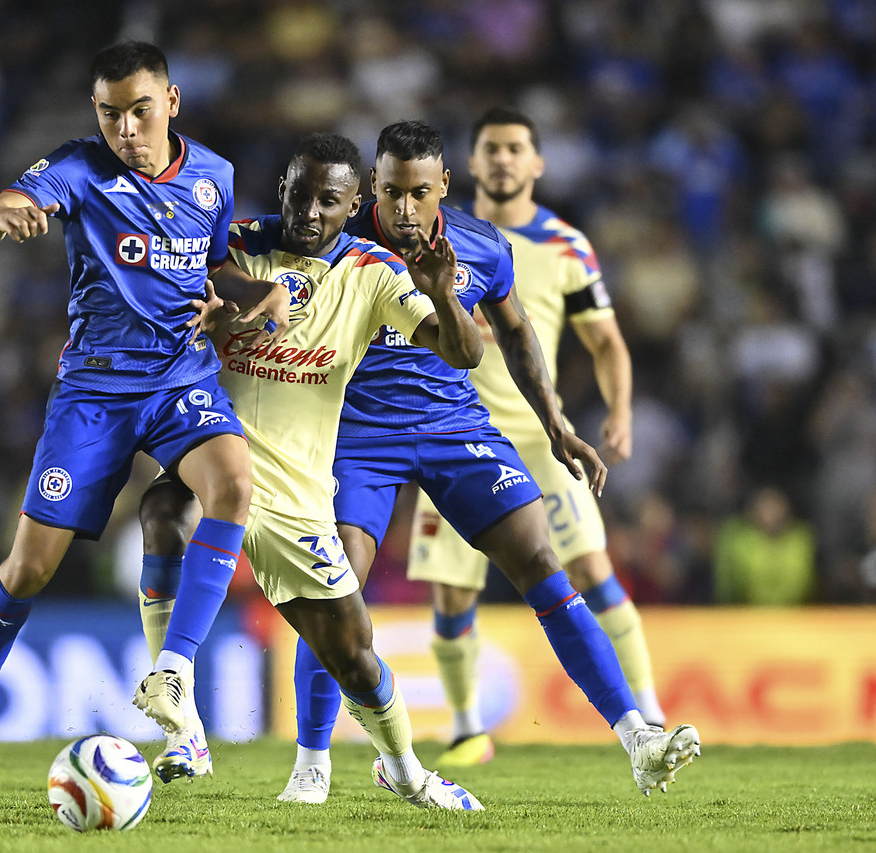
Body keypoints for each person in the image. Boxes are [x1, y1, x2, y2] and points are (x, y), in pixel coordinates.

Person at [140, 120, 699, 805]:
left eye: (419, 194)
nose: (404, 209)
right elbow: (222, 260)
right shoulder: (335, 229)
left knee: (541, 563)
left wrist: (555, 424)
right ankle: (312, 763)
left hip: (452, 423)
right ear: (370, 187)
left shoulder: (480, 246)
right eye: (393, 192)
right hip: (355, 435)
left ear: (443, 188)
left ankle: (637, 736)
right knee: (335, 591)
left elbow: (512, 335)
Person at [0, 41, 289, 788]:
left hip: (179, 378)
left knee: (232, 486)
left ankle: (173, 670)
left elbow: (213, 258)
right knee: (30, 566)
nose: (124, 127)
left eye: (139, 110)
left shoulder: (213, 175)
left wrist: (244, 297)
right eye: (109, 113)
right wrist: (7, 218)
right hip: (94, 392)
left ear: (172, 103)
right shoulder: (79, 167)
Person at [143, 131, 487, 810]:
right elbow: (185, 280)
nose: (308, 212)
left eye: (328, 201)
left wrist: (445, 296)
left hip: (300, 497)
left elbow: (464, 352)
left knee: (352, 652)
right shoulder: (238, 244)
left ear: (354, 204)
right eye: (298, 194)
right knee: (163, 512)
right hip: (222, 462)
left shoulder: (376, 272)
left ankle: (406, 770)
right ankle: (179, 710)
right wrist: (217, 305)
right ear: (283, 190)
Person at [406, 107, 666, 768]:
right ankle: (467, 727)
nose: (501, 159)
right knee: (451, 591)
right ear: (469, 163)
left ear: (538, 163)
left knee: (591, 570)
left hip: (542, 435)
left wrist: (621, 410)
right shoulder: (437, 234)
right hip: (457, 432)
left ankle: (650, 712)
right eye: (490, 148)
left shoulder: (567, 245)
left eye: (515, 148)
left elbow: (605, 339)